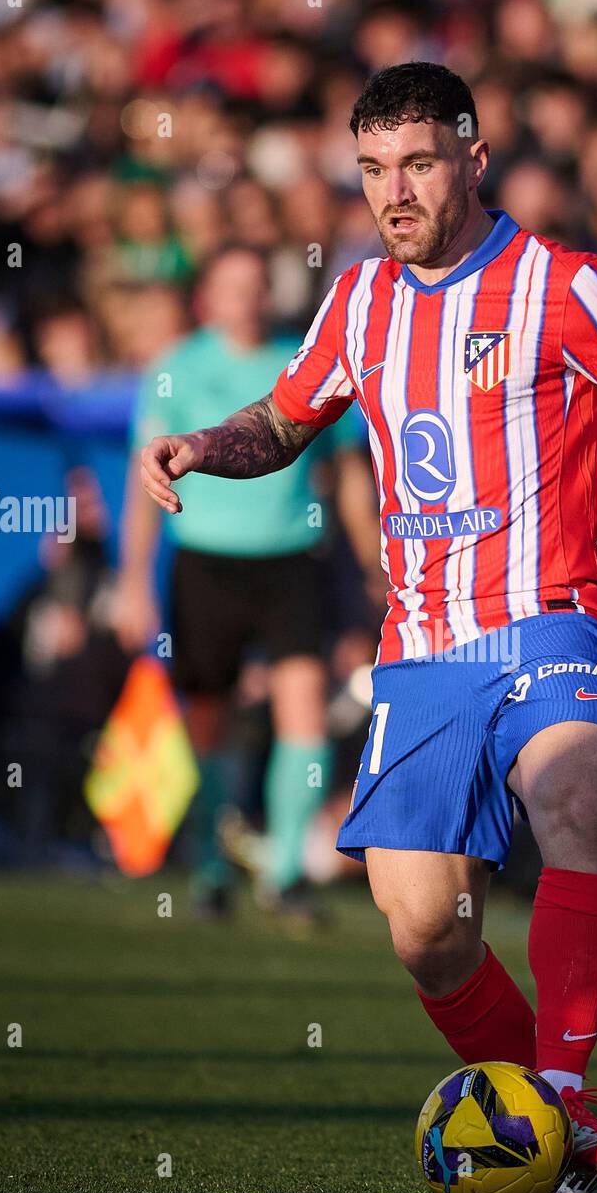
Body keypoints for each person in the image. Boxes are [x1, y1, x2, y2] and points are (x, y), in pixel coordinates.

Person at [134, 63, 597, 1193]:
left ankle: (556, 1095)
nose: (393, 192)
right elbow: (283, 420)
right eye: (371, 169)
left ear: (472, 159)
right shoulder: (359, 300)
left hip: (552, 619)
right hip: (423, 649)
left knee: (572, 793)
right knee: (424, 928)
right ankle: (565, 1129)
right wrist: (201, 447)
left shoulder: (562, 285)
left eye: (416, 163)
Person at [115, 242, 375, 923]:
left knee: (305, 709)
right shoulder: (176, 368)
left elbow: (346, 475)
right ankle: (209, 868)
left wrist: (375, 560)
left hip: (290, 560)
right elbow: (143, 483)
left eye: (256, 283)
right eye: (231, 285)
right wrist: (134, 579)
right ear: (207, 298)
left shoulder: (305, 361)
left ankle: (284, 872)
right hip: (205, 562)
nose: (246, 298)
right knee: (208, 720)